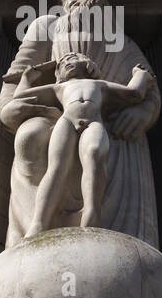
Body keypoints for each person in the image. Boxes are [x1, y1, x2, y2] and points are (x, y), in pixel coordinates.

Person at [14, 53, 154, 236]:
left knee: (94, 155)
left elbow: (134, 94)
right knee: (56, 167)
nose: (67, 62)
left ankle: (91, 216)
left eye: (72, 58)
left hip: (93, 121)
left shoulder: (100, 85)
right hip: (66, 122)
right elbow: (20, 96)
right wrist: (26, 78)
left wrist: (140, 75)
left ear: (88, 63)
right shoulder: (60, 87)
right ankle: (39, 223)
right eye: (63, 62)